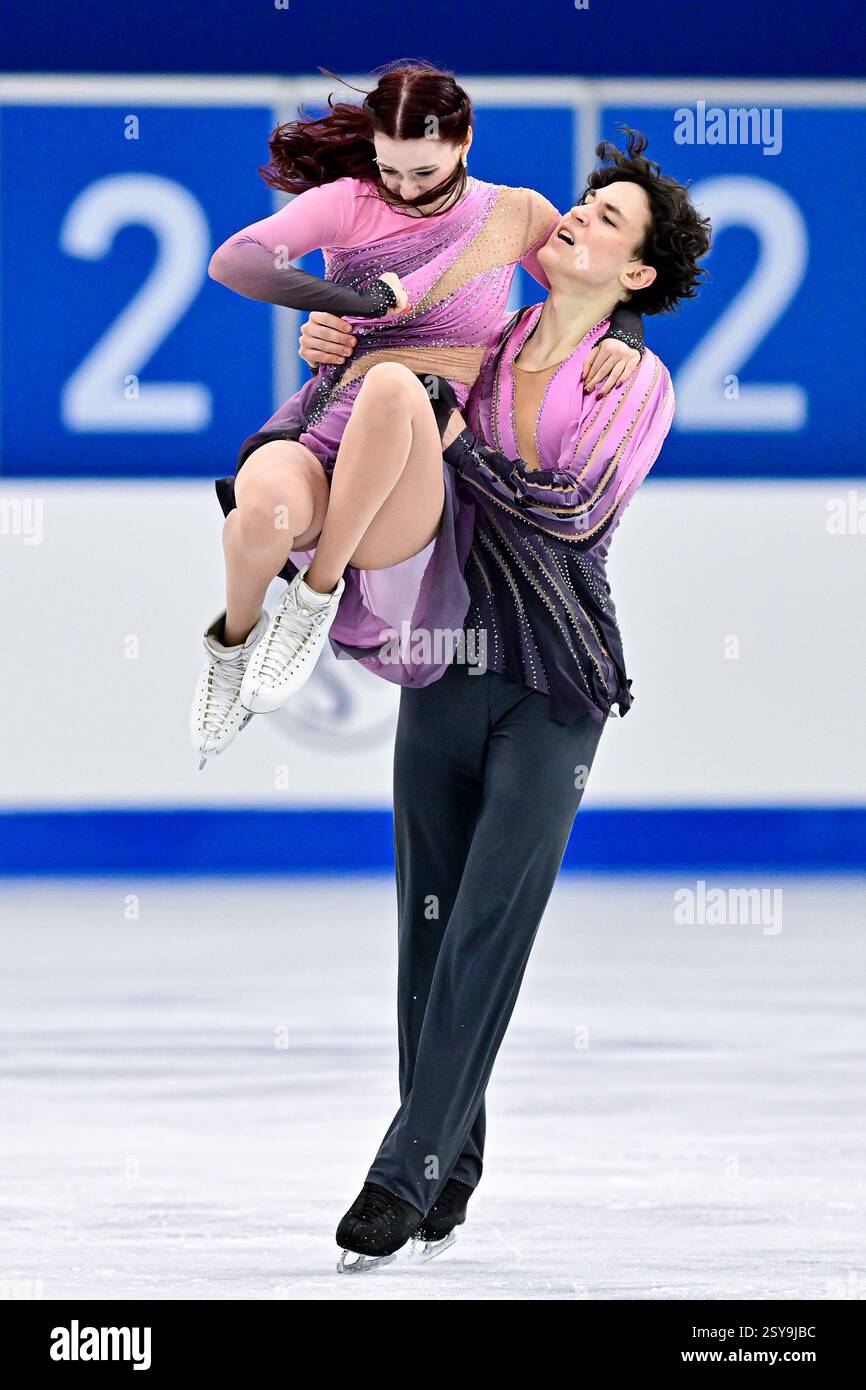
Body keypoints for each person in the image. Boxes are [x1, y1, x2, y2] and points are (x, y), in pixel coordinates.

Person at [299, 129, 712, 1272]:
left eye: (607, 220)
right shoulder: (488, 332)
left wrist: (449, 441)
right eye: (581, 204)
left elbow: (574, 515)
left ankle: (401, 1172)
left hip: (554, 678)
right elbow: (372, 387)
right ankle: (452, 1170)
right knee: (422, 926)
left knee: (486, 922)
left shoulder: (634, 379)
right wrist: (328, 335)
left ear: (635, 276)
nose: (575, 218)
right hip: (443, 654)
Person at [189, 61, 643, 768]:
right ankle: (231, 646)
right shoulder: (349, 201)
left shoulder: (515, 214)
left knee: (399, 382)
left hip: (408, 477)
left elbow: (589, 288)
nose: (403, 189)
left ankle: (315, 596)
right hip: (332, 419)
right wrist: (339, 304)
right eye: (389, 168)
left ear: (464, 143)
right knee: (259, 509)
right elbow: (233, 262)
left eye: (422, 172)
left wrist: (626, 333)